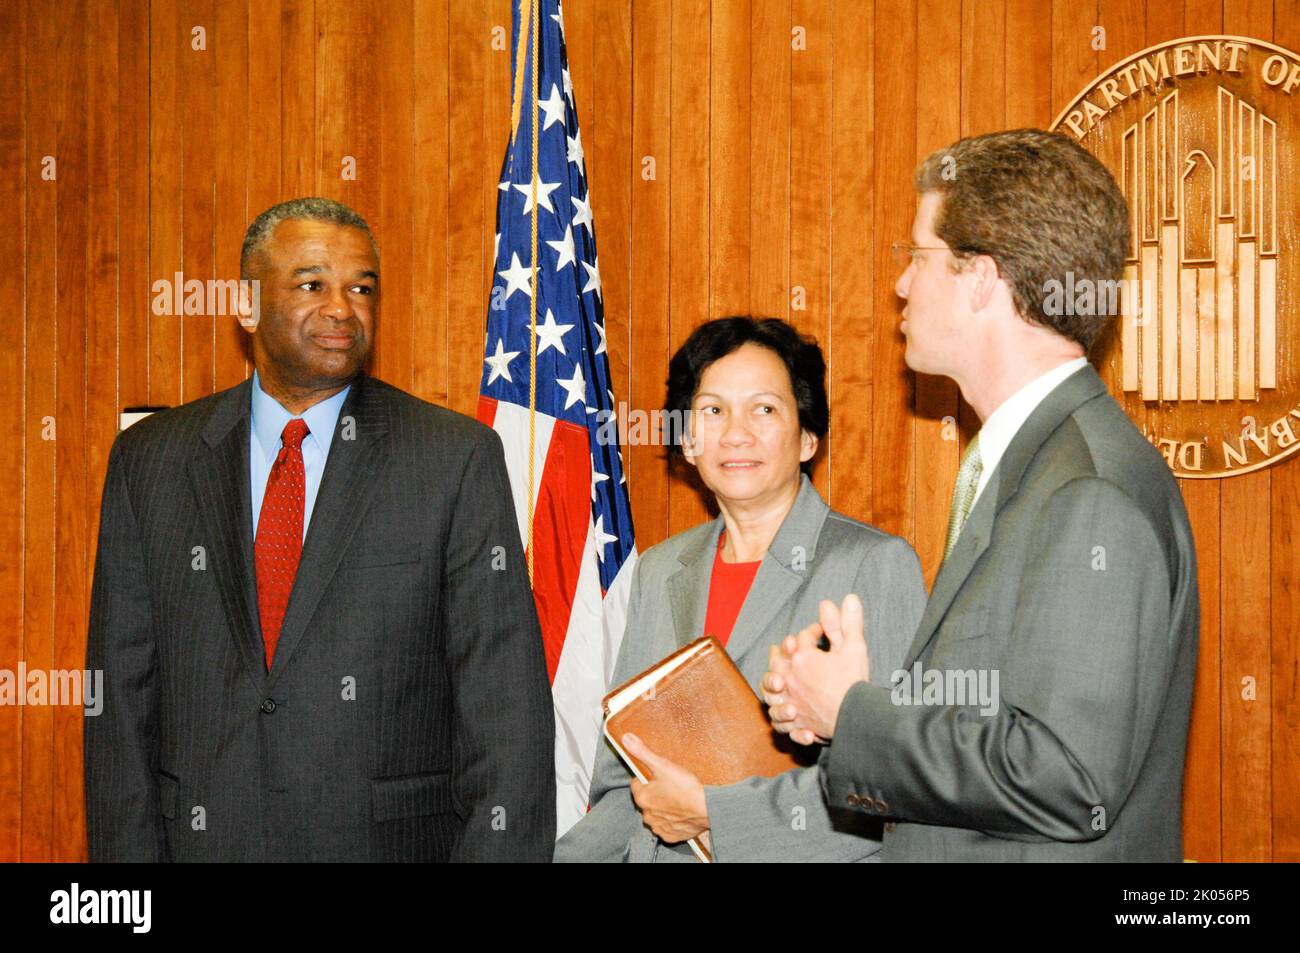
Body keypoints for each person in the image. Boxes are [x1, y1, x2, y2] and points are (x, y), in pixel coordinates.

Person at [765, 129, 1200, 861]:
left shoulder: (1089, 490)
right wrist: (846, 703)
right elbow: (1003, 726)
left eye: (917, 256)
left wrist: (855, 715)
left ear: (981, 279)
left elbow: (1067, 775)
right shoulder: (1034, 465)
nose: (901, 283)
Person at [84, 197, 555, 861]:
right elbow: (120, 709)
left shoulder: (453, 458)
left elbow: (506, 716)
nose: (342, 308)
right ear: (245, 305)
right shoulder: (151, 460)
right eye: (312, 284)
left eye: (361, 287)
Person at [555, 317, 927, 862]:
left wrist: (716, 813)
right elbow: (623, 781)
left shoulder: (873, 565)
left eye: (765, 409)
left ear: (808, 437)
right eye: (713, 410)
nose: (735, 432)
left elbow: (898, 787)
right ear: (686, 440)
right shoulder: (660, 571)